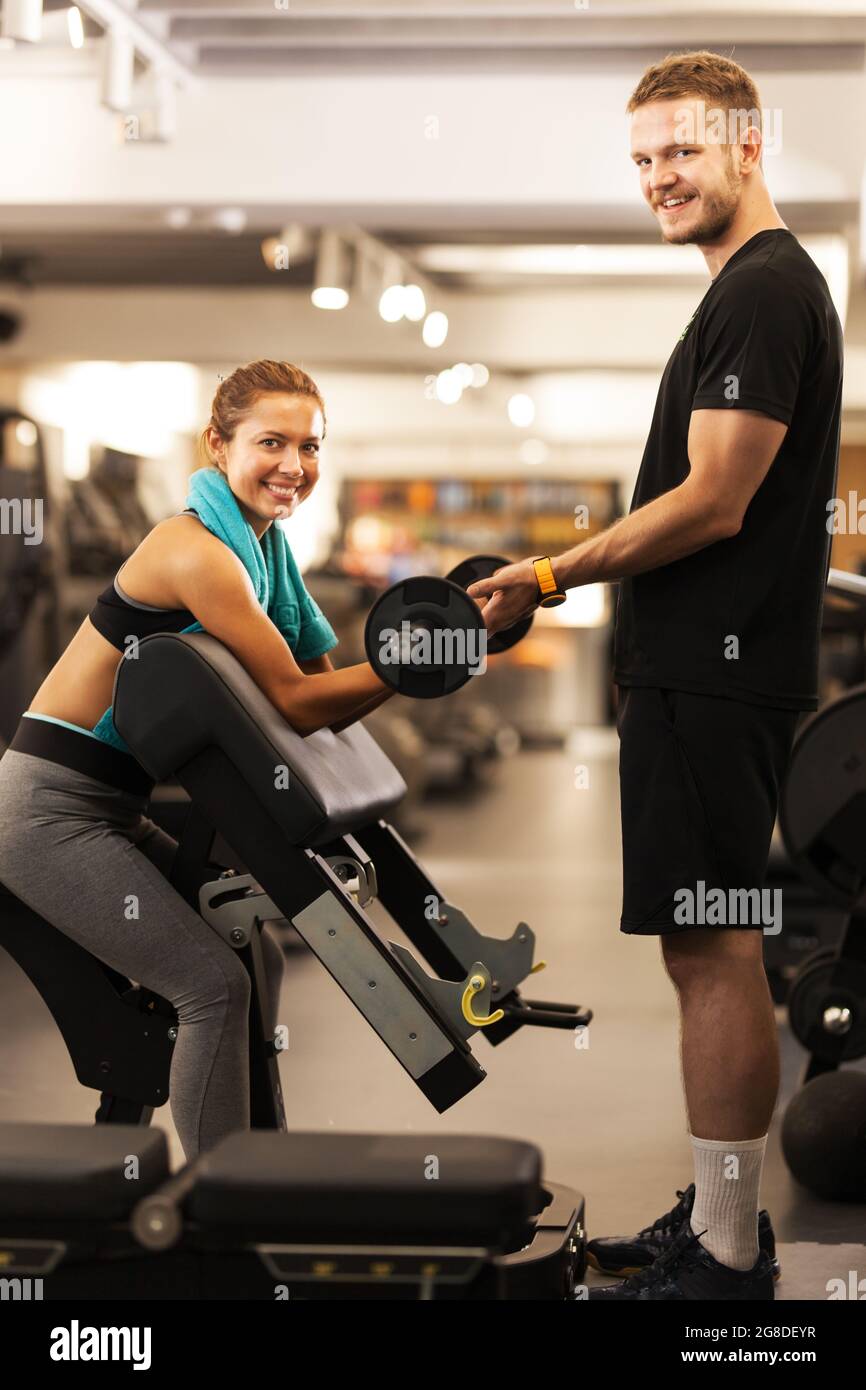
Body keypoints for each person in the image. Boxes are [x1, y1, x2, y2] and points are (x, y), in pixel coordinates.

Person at [468, 52, 843, 1301]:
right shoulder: (748, 290)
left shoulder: (762, 289)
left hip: (709, 679)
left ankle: (729, 1253)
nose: (656, 179)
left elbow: (715, 498)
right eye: (638, 160)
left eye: (678, 151)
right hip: (704, 676)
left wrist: (551, 570)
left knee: (713, 951)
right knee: (707, 949)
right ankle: (721, 1217)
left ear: (745, 145)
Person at [0, 360, 396, 1160]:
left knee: (254, 947)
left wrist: (436, 649)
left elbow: (328, 686)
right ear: (219, 445)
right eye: (272, 442)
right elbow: (295, 699)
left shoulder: (267, 551)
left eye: (311, 447)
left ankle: (260, 1160)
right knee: (211, 986)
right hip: (44, 815)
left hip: (111, 809)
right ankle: (227, 1201)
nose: (295, 465)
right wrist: (416, 663)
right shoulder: (194, 550)